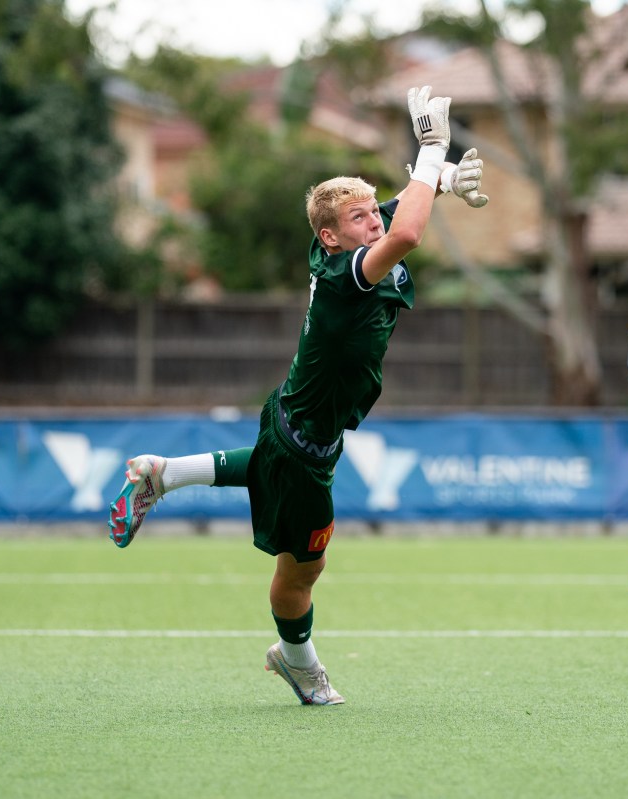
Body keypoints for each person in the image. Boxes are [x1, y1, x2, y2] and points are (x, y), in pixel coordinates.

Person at [106, 86, 489, 705]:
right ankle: (299, 663)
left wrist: (440, 178)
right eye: (363, 219)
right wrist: (433, 148)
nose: (376, 220)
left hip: (295, 417)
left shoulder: (337, 243)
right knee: (299, 577)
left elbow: (395, 209)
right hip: (305, 442)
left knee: (270, 474)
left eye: (373, 212)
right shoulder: (351, 274)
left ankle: (162, 474)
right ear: (334, 238)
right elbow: (410, 232)